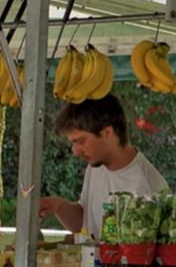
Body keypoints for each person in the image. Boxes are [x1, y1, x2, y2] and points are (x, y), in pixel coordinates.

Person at [39, 95, 166, 240]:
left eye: (80, 141)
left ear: (107, 133)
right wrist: (59, 206)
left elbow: (137, 257)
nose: (75, 151)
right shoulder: (96, 165)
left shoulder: (143, 188)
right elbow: (87, 224)